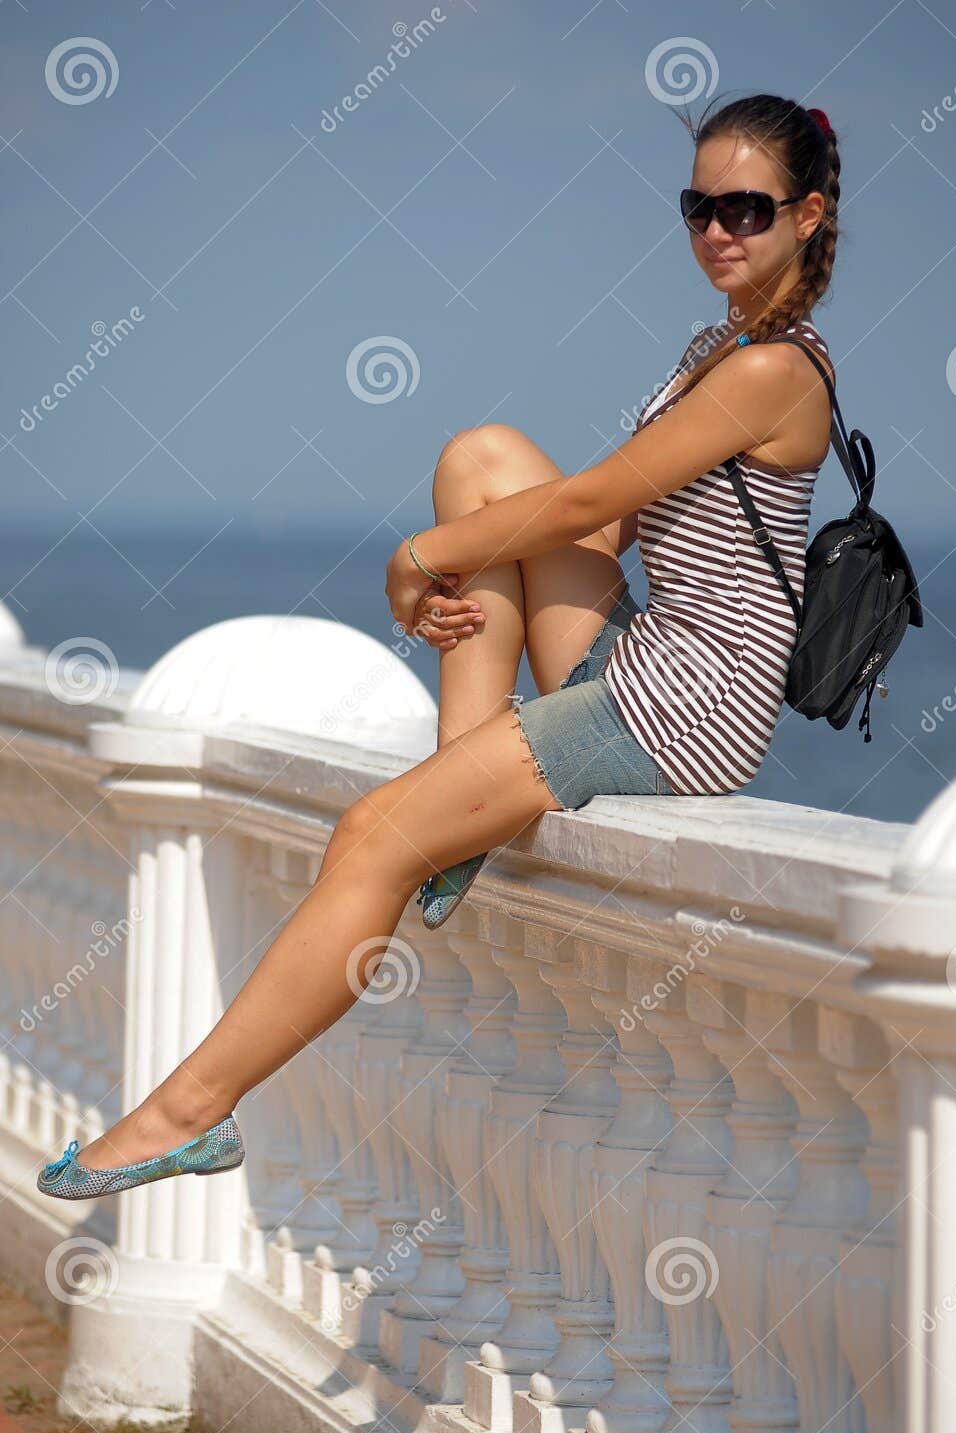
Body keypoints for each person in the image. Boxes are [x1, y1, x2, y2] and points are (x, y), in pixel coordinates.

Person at [39, 92, 839, 1198]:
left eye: (746, 208)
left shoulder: (772, 372)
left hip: (688, 708)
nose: (717, 230)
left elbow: (590, 502)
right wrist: (467, 542)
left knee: (370, 837)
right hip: (645, 662)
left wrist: (421, 555)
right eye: (699, 205)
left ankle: (190, 1111)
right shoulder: (720, 347)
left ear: (806, 214)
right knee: (485, 456)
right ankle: (457, 793)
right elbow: (604, 519)